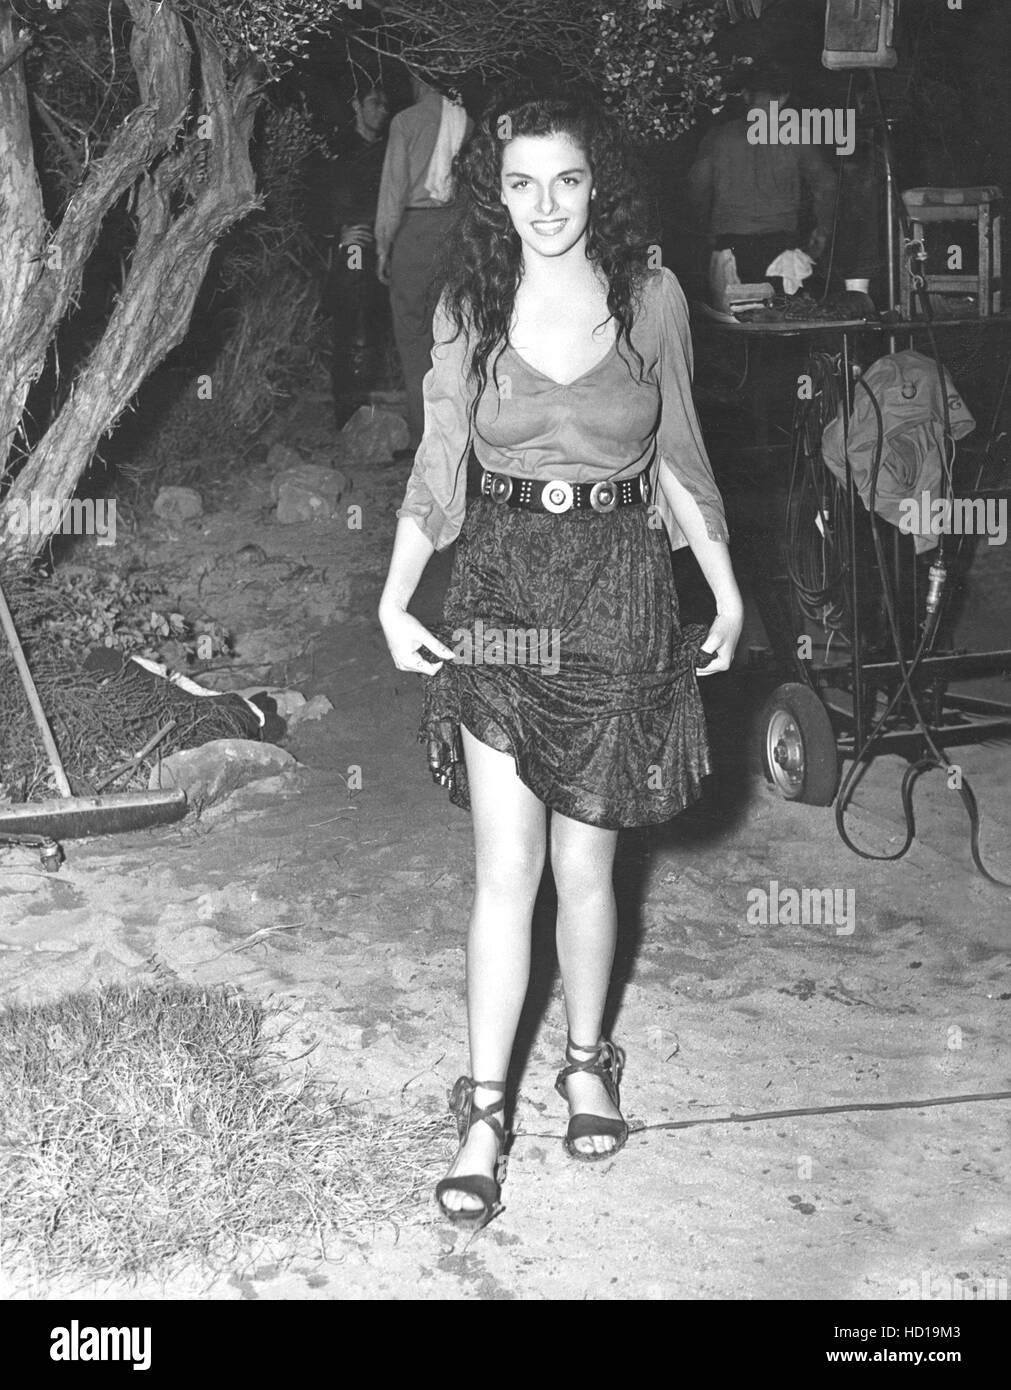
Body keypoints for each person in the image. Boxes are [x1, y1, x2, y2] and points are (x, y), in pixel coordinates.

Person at [378, 87, 743, 1230]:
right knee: (507, 867)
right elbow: (441, 466)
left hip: (620, 592)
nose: (545, 204)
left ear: (600, 183)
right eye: (522, 180)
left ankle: (588, 1059)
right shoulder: (467, 306)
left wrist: (725, 588)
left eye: (568, 179)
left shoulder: (652, 297)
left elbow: (679, 450)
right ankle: (484, 1112)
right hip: (501, 590)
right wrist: (395, 595)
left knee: (587, 869)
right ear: (497, 187)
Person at [374, 70, 473, 453]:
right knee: (451, 338)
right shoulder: (467, 121)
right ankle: (457, 443)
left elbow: (392, 190)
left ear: (416, 77)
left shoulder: (406, 122)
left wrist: (383, 246)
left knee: (413, 340)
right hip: (456, 236)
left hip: (414, 234)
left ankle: (424, 443)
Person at [687, 61, 837, 296]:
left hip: (728, 247)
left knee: (732, 326)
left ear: (746, 96)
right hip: (779, 249)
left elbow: (697, 187)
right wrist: (823, 231)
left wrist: (703, 231)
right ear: (784, 97)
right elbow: (826, 185)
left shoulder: (718, 137)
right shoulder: (795, 135)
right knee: (780, 324)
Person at [324, 84, 391, 414]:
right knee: (354, 329)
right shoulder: (339, 149)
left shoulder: (386, 151)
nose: (382, 110)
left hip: (381, 251)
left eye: (384, 104)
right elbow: (316, 199)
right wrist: (339, 235)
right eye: (374, 103)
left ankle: (361, 409)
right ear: (356, 104)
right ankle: (349, 412)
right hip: (351, 254)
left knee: (371, 328)